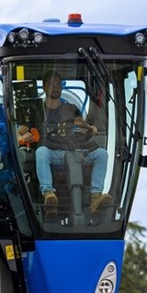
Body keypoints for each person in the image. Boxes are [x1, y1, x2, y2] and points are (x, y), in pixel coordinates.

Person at [33, 71, 111, 217]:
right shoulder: (37, 110)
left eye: (58, 84)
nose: (55, 87)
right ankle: (49, 194)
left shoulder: (71, 108)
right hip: (54, 154)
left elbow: (81, 125)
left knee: (101, 154)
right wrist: (22, 134)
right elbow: (22, 129)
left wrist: (88, 128)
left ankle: (95, 197)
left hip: (74, 152)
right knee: (41, 152)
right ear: (44, 87)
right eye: (51, 84)